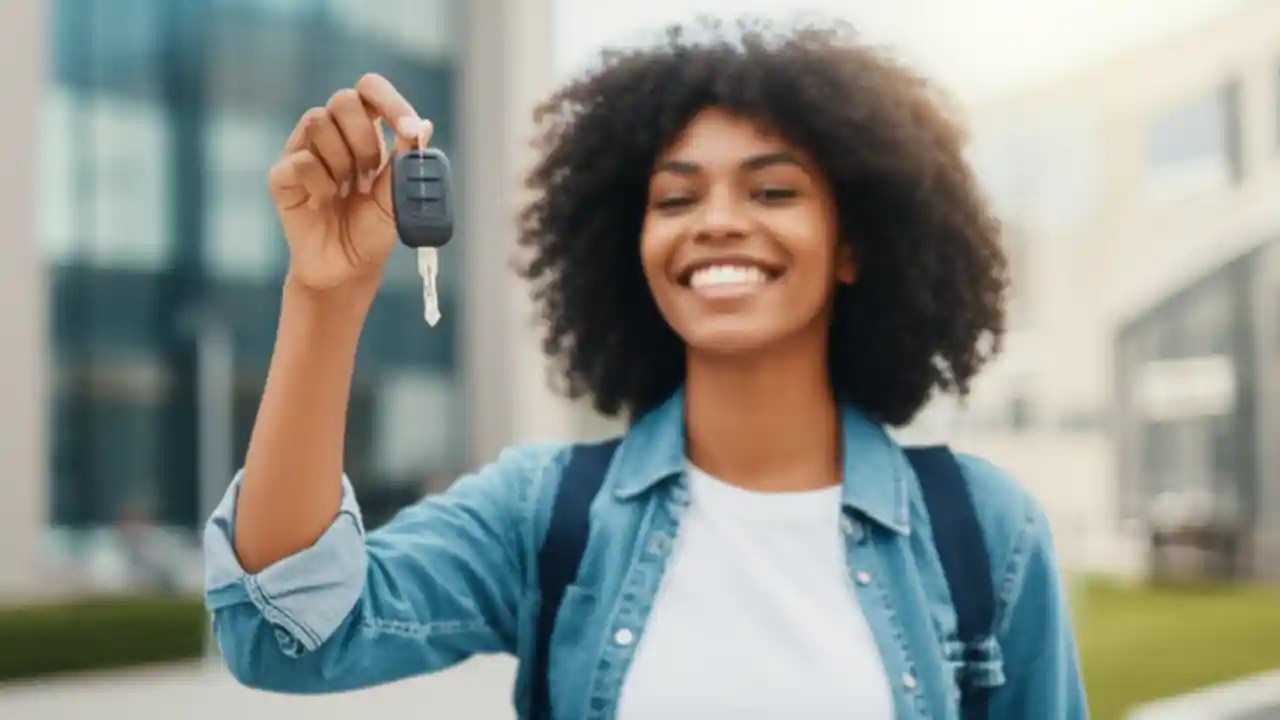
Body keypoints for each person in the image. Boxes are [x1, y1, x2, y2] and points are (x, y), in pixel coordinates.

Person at [204, 17, 1087, 720]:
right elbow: (290, 636)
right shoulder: (546, 514)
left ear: (853, 243)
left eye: (772, 190)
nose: (718, 221)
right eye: (676, 197)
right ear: (632, 246)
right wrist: (327, 294)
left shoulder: (986, 532)